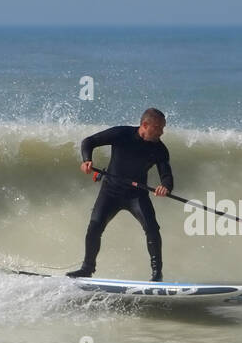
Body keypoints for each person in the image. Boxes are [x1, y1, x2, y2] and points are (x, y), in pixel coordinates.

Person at [67, 108, 173, 281]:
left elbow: (166, 175)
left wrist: (165, 187)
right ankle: (87, 269)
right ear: (145, 125)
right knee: (95, 226)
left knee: (152, 229)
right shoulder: (121, 133)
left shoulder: (160, 149)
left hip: (137, 195)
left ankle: (156, 275)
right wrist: (86, 160)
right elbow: (89, 141)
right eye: (158, 127)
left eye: (163, 128)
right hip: (111, 191)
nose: (162, 132)